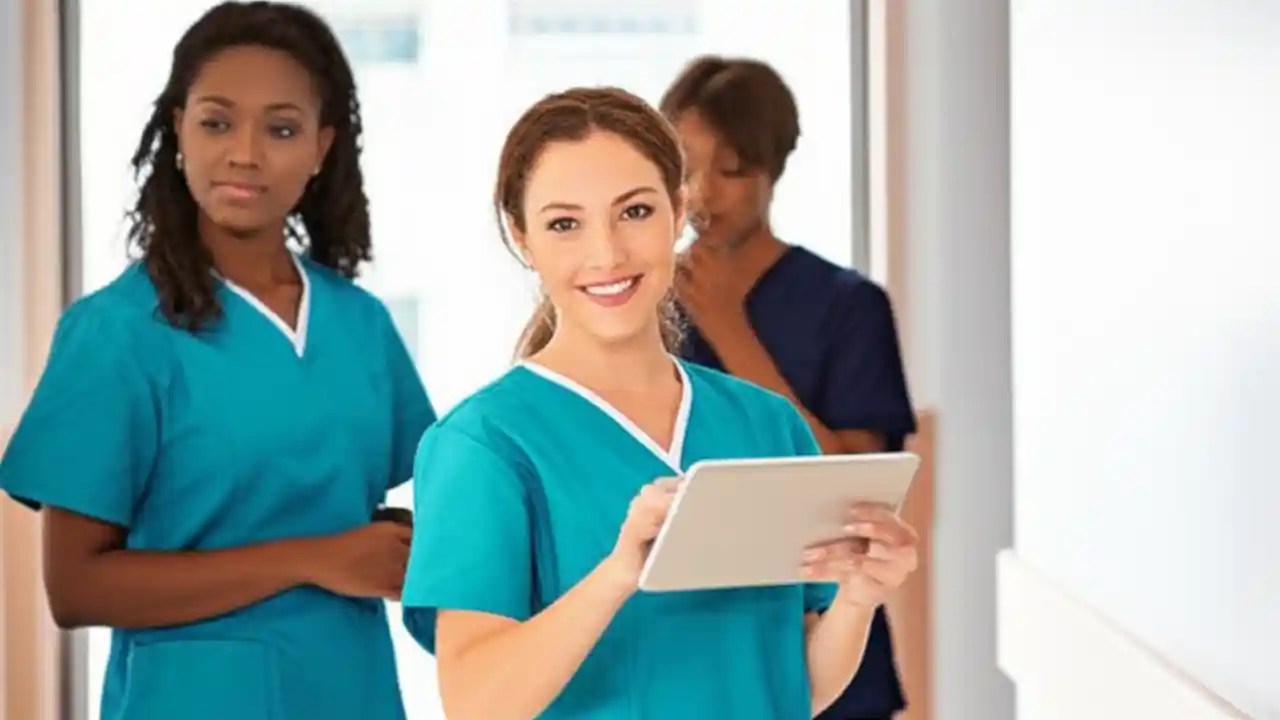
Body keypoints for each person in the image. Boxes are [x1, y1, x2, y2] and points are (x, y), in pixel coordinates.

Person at [400, 86, 919, 719]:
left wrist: (860, 598)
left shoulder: (766, 425)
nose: (607, 254)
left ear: (678, 211)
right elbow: (476, 704)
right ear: (522, 237)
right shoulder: (483, 443)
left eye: (635, 212)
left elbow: (797, 687)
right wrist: (619, 574)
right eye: (565, 223)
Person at [0, 3, 434, 719]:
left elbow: (372, 523)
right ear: (177, 129)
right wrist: (313, 558)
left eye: (283, 128)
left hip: (350, 691)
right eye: (217, 121)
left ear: (322, 147)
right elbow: (76, 589)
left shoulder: (360, 324)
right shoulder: (114, 333)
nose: (245, 153)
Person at [660, 56, 918, 720]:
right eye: (687, 169)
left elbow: (860, 486)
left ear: (773, 168)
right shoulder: (648, 304)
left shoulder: (847, 304)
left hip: (827, 625)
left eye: (733, 169)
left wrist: (729, 329)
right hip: (692, 638)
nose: (706, 194)